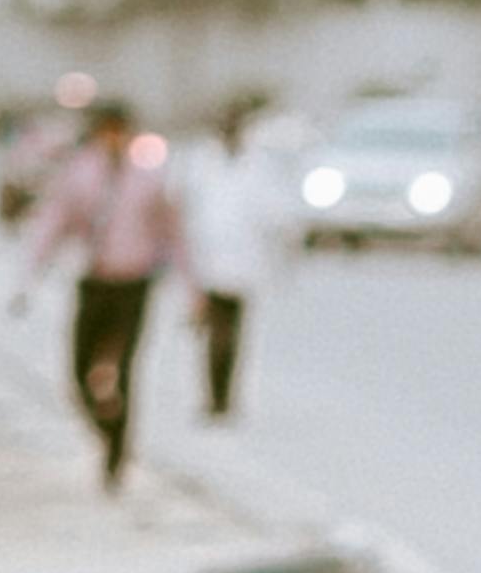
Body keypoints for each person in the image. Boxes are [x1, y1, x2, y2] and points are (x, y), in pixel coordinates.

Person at [17, 89, 190, 493]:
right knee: (79, 373)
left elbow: (174, 235)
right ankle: (106, 428)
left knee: (125, 370)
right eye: (106, 132)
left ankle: (117, 454)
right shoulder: (78, 174)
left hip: (134, 284)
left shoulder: (149, 177)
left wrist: (191, 288)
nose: (113, 139)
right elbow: (52, 226)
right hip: (94, 283)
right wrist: (28, 276)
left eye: (119, 132)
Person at [183, 93, 286, 421]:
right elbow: (187, 207)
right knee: (216, 333)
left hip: (243, 262)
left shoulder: (259, 165)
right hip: (207, 260)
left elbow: (276, 215)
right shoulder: (201, 162)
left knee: (230, 334)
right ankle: (215, 397)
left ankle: (224, 396)